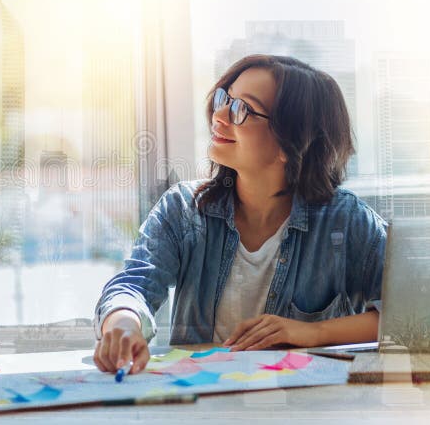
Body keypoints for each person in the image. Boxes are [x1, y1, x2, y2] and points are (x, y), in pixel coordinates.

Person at [93, 54, 386, 375]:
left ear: (292, 144)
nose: (219, 115)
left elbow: (411, 317)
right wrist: (122, 326)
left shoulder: (348, 221)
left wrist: (310, 333)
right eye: (224, 98)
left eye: (242, 109)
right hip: (201, 403)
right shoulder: (182, 209)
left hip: (302, 406)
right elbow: (133, 286)